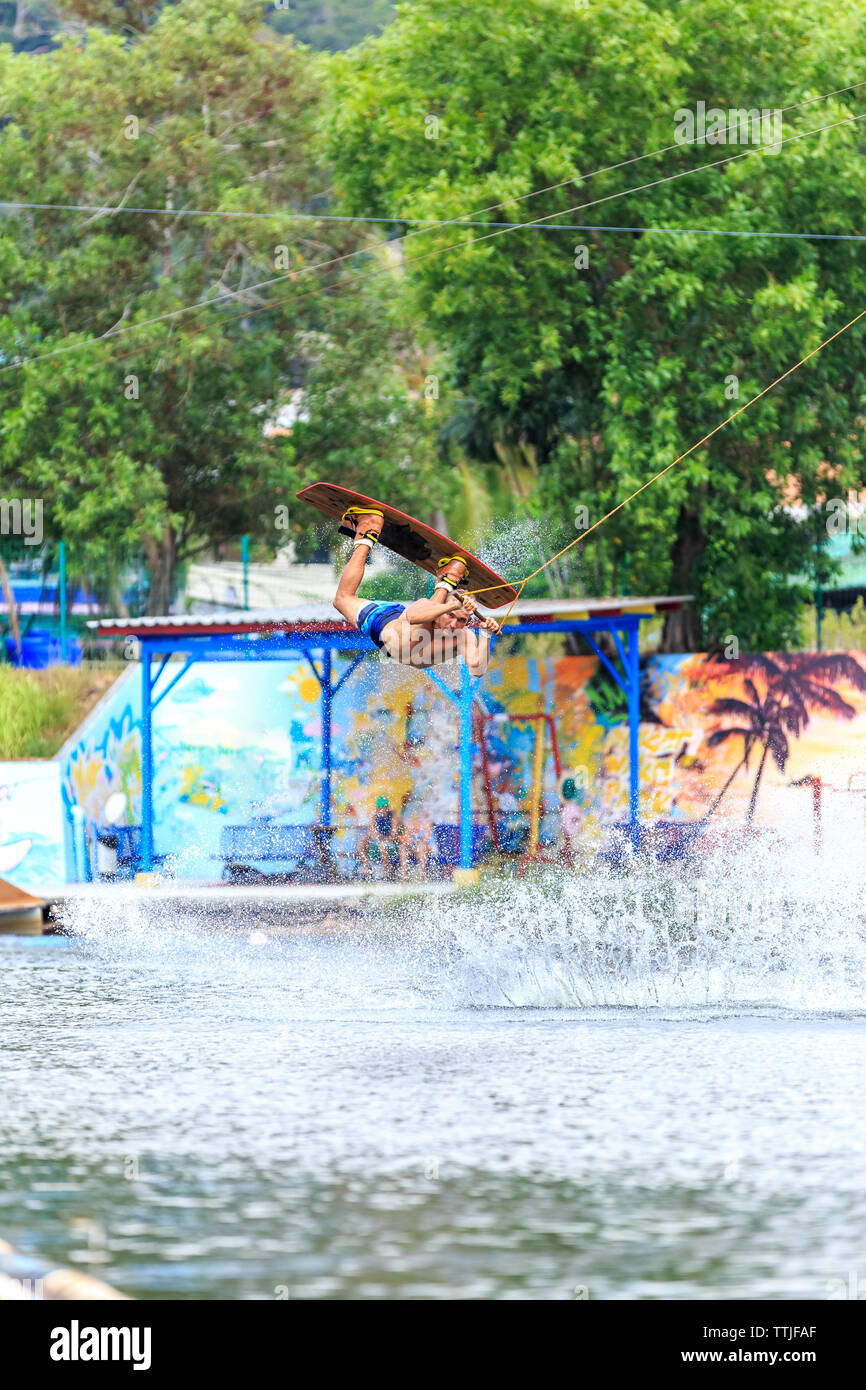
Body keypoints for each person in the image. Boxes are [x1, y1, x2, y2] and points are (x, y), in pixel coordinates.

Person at [332, 509, 498, 673]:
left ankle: (448, 580)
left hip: (396, 619)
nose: (454, 624)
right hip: (390, 627)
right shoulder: (427, 606)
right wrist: (452, 607)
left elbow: (477, 669)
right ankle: (368, 531)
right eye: (451, 617)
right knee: (342, 599)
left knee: (341, 600)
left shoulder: (463, 636)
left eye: (462, 620)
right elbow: (413, 617)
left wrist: (486, 634)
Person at [358, 795, 397, 879]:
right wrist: (371, 837)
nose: (382, 810)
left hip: (390, 845)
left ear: (387, 808)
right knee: (361, 844)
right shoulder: (375, 817)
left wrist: (380, 837)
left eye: (384, 808)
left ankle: (387, 874)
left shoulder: (393, 818)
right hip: (377, 843)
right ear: (377, 809)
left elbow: (392, 837)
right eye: (380, 808)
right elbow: (371, 833)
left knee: (382, 846)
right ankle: (368, 872)